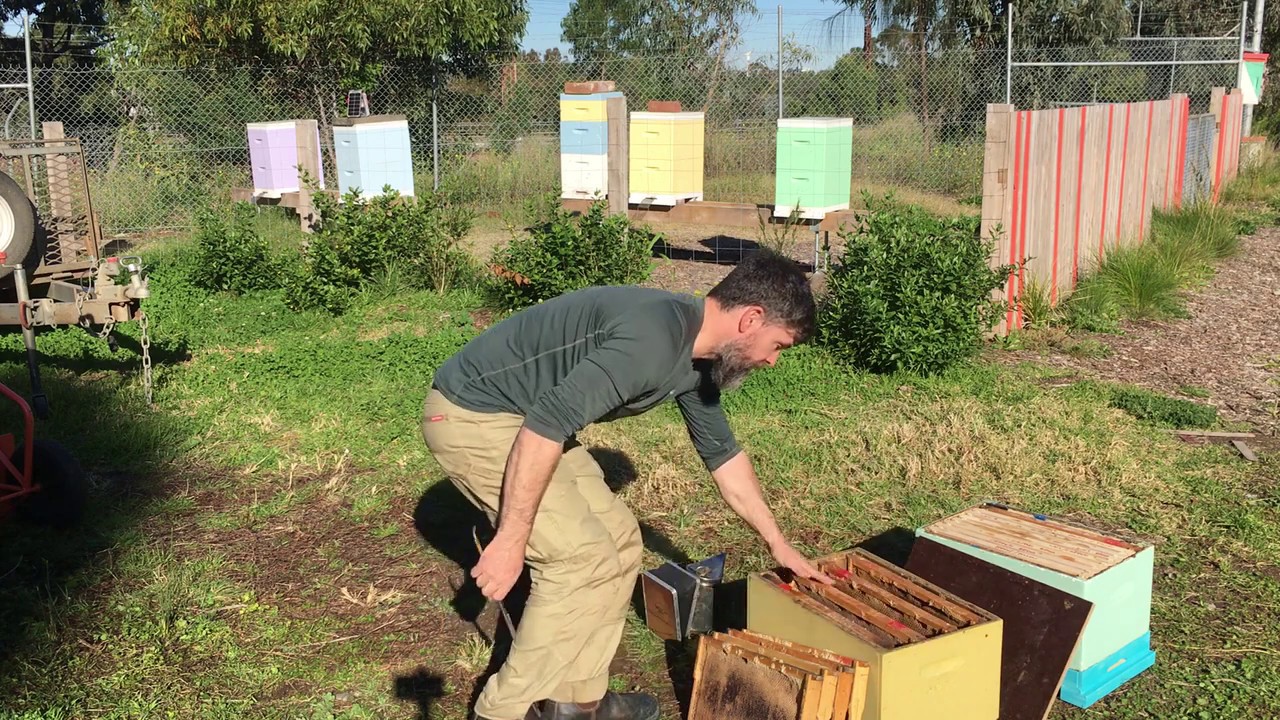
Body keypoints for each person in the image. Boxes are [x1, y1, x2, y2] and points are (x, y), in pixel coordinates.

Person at [421, 249, 834, 720]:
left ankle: (574, 702)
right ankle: (501, 712)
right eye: (778, 345)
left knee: (618, 540)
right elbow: (543, 428)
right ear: (751, 319)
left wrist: (777, 543)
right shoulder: (653, 340)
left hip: (532, 422)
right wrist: (511, 540)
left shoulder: (700, 359)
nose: (772, 361)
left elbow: (724, 457)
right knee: (577, 558)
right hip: (473, 414)